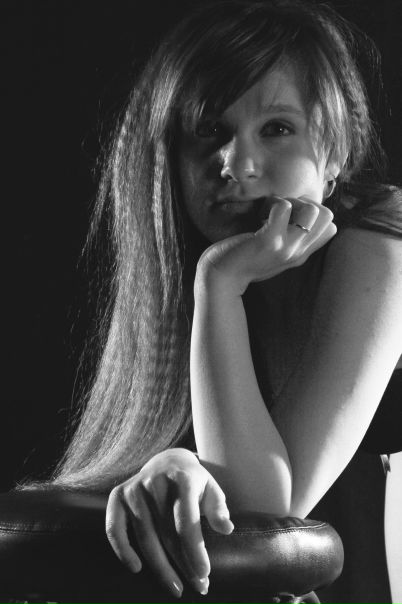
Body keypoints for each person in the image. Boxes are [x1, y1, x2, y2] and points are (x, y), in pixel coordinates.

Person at [42, 0, 402, 601]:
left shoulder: (383, 240)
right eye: (209, 131)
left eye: (277, 129)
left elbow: (264, 514)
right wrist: (175, 465)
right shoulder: (187, 282)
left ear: (335, 155)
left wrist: (219, 282)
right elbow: (232, 504)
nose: (236, 165)